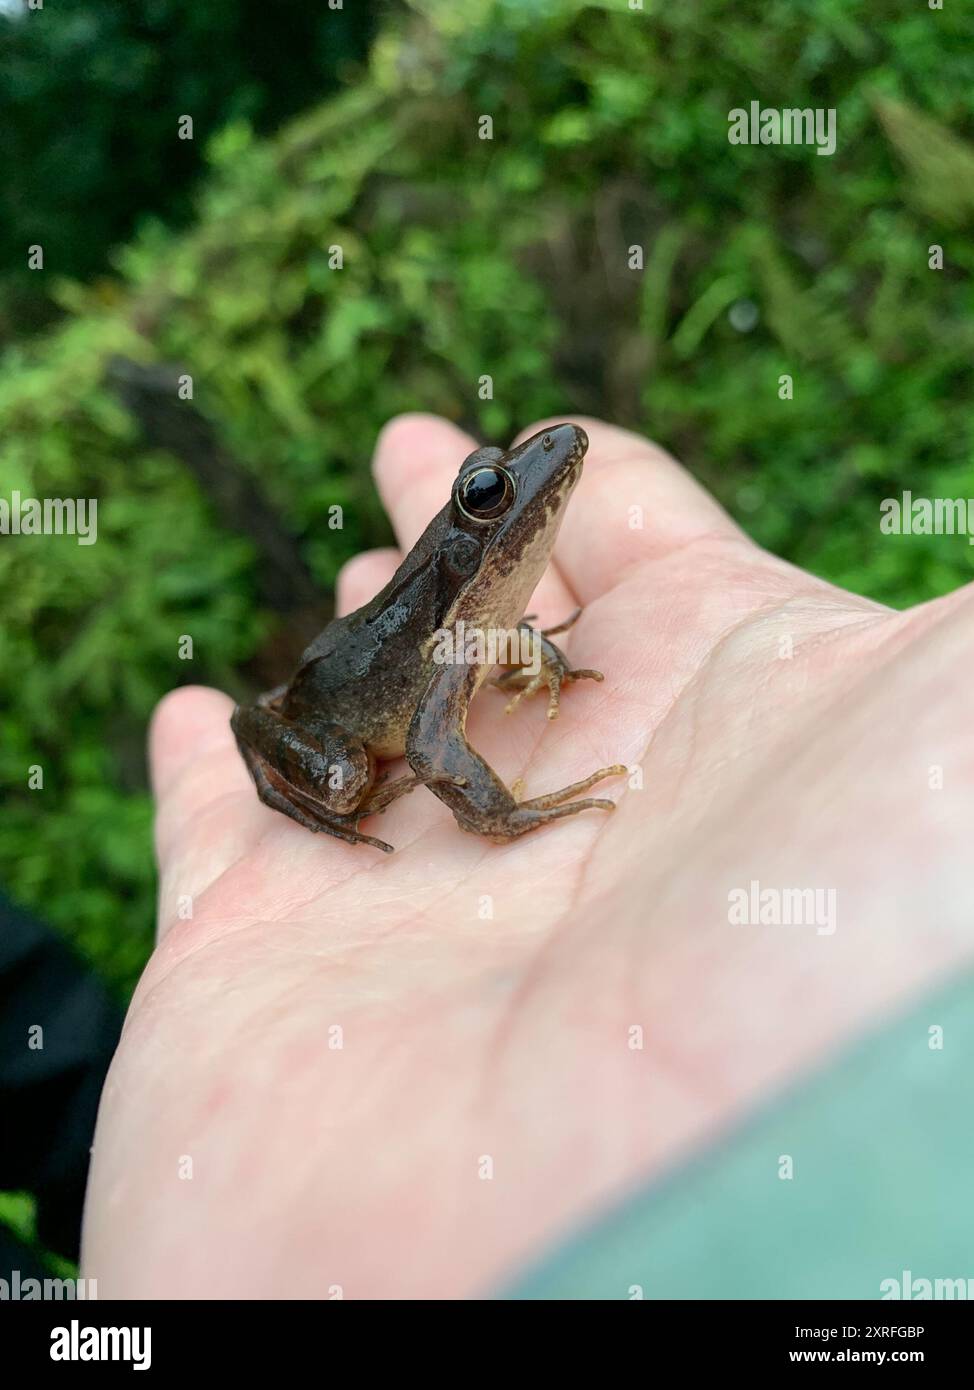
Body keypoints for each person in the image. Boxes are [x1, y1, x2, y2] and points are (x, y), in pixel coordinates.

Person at [80, 416, 974, 1298]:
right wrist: (503, 813)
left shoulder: (479, 605)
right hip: (329, 717)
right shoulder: (452, 614)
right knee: (351, 777)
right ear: (471, 537)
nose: (534, 472)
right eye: (486, 495)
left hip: (336, 662)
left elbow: (496, 633)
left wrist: (538, 653)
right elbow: (429, 748)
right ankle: (347, 805)